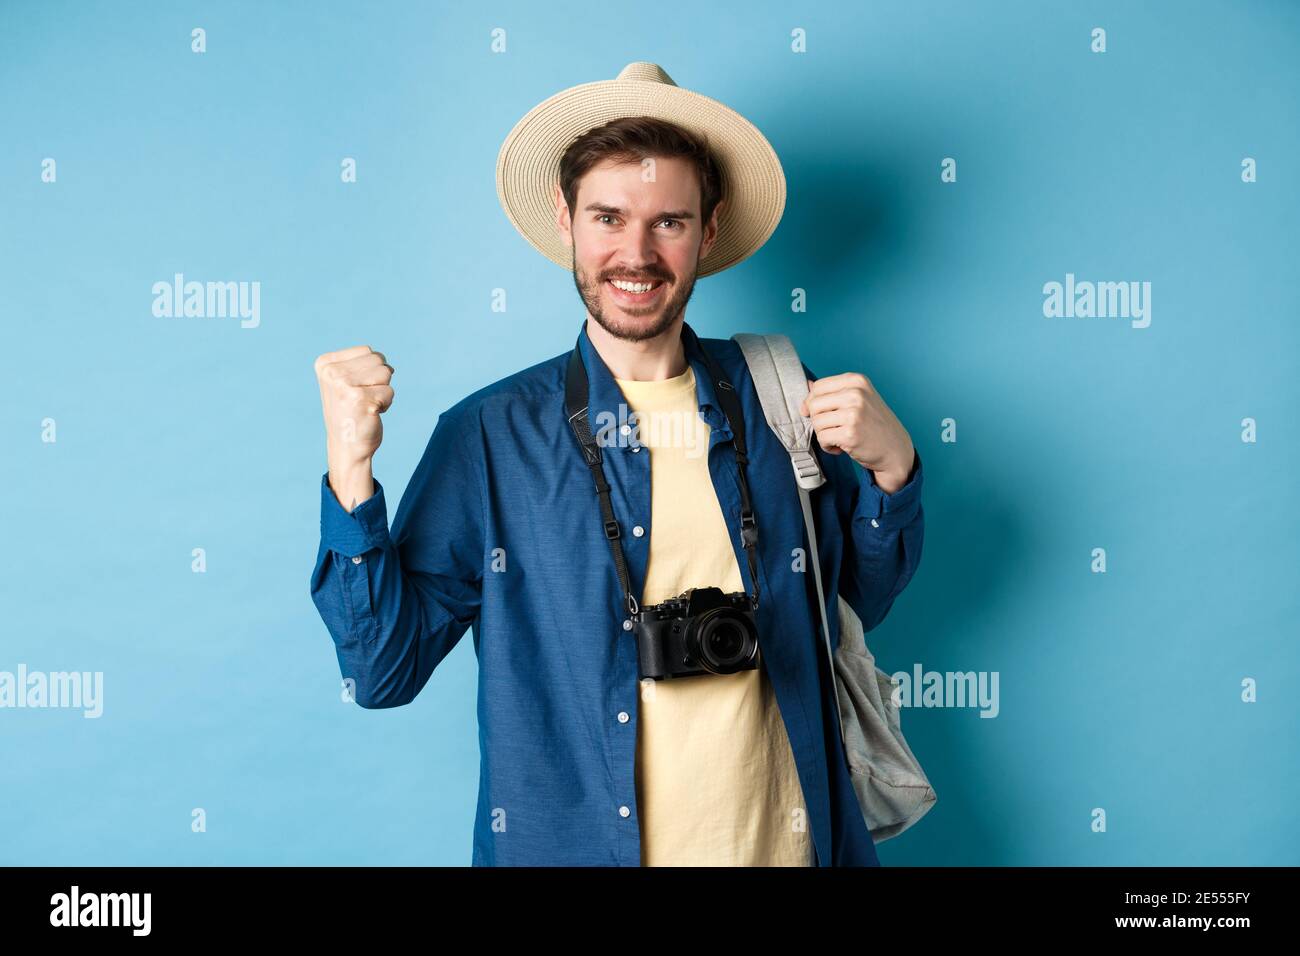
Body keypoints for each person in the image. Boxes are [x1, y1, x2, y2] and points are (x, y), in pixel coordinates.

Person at [309, 62, 924, 866]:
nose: (636, 254)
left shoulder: (783, 396)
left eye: (668, 222)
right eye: (609, 217)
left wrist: (893, 471)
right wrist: (351, 471)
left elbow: (853, 604)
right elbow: (381, 672)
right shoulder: (488, 437)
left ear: (707, 232)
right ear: (566, 221)